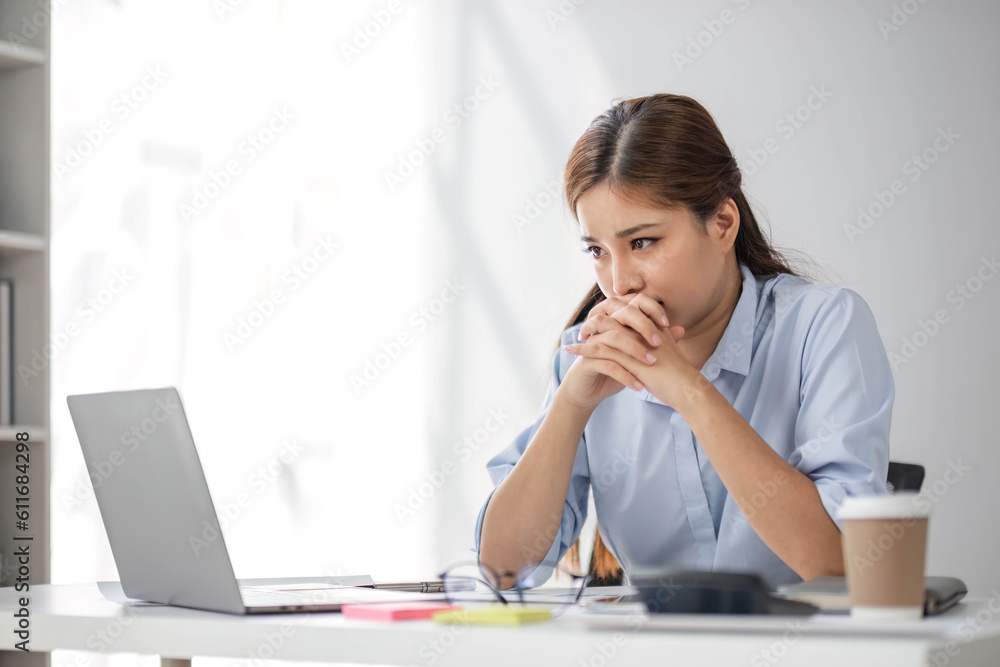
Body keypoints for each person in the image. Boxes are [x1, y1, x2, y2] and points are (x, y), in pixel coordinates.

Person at [472, 93, 894, 591]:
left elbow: (839, 564)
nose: (619, 282)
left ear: (722, 223)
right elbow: (502, 572)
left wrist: (689, 392)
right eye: (597, 251)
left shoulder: (824, 325)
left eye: (643, 242)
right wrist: (571, 408)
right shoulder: (589, 356)